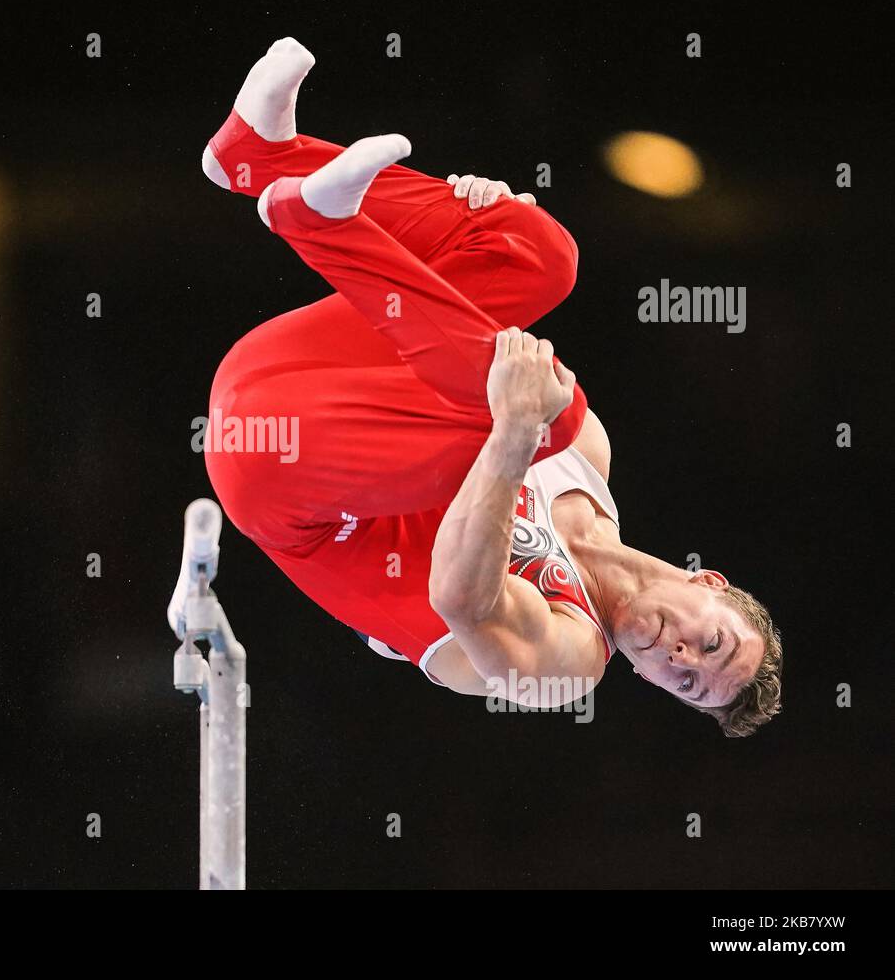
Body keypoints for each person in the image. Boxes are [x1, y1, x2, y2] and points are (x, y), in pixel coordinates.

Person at [193, 39, 781, 735]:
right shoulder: (590, 461)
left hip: (278, 473)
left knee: (544, 421)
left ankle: (322, 224)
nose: (681, 652)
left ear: (657, 685)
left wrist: (511, 438)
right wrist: (466, 220)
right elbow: (465, 351)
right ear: (707, 582)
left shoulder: (567, 658)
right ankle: (258, 157)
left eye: (685, 680)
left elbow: (459, 599)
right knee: (538, 253)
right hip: (289, 371)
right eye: (712, 642)